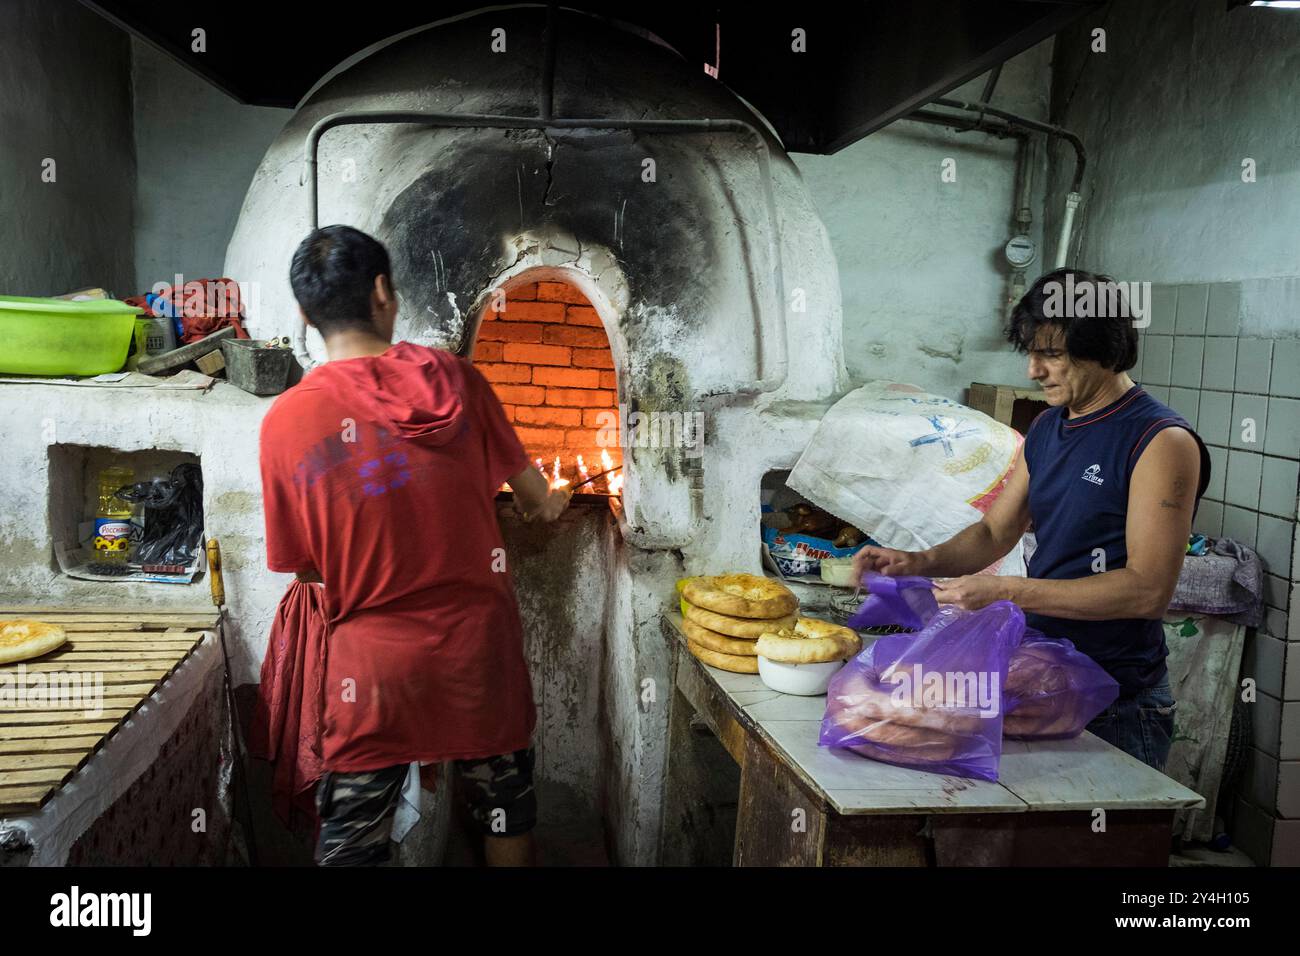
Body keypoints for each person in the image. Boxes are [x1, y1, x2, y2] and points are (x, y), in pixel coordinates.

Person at [258, 225, 570, 865]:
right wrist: (551, 505)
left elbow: (307, 570)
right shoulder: (457, 379)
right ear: (382, 291)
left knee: (353, 847)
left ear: (304, 312)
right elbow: (535, 500)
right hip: (478, 652)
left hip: (372, 673)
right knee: (505, 806)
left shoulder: (284, 421)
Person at [852, 268, 1210, 772]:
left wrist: (1008, 592)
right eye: (1031, 353)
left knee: (1101, 848)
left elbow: (1147, 590)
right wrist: (914, 560)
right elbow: (994, 532)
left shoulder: (1159, 441)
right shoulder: (1047, 426)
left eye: (1052, 354)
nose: (1033, 371)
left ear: (1104, 349)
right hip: (1043, 676)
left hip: (1117, 701)